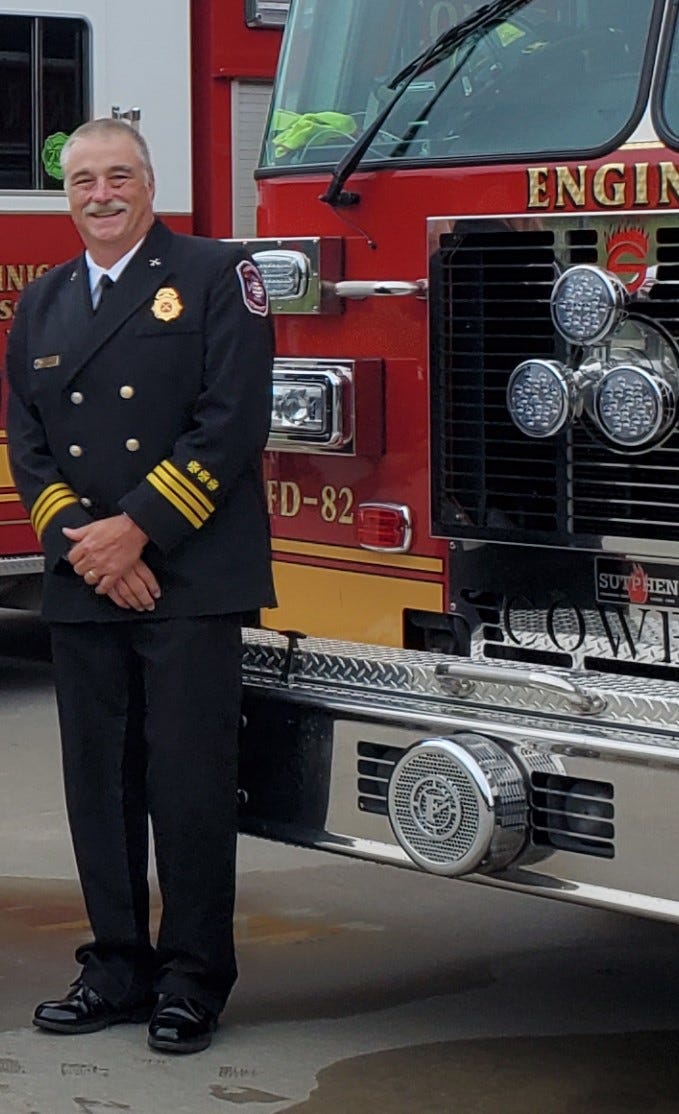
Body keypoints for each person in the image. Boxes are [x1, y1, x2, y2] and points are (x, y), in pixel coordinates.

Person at [5, 117, 276, 1054]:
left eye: (118, 176)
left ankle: (193, 978)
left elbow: (232, 420)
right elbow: (30, 447)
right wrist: (86, 546)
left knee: (189, 785)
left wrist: (139, 534)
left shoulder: (213, 275)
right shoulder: (40, 305)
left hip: (188, 575)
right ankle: (116, 967)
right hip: (89, 581)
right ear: (67, 195)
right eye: (82, 181)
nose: (100, 194)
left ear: (149, 183)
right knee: (100, 784)